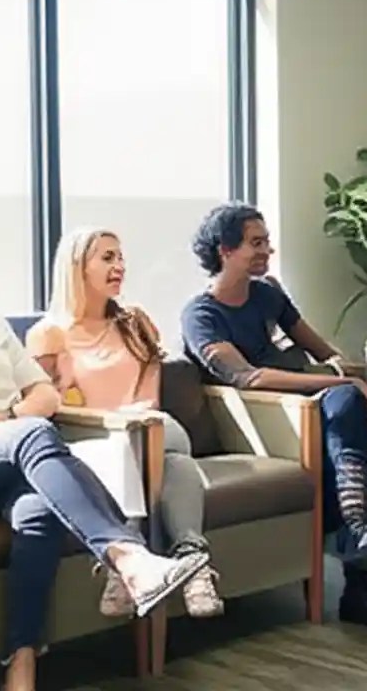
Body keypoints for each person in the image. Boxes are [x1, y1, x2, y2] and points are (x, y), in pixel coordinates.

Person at [0, 214, 206, 691]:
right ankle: (128, 557)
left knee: (38, 512)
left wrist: (14, 421)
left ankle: (21, 664)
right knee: (31, 434)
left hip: (9, 455)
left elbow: (44, 394)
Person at [179, 202, 367, 629]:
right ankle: (359, 576)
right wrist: (338, 384)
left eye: (266, 240)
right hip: (262, 427)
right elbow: (247, 379)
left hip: (304, 415)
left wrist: (352, 378)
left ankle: (354, 537)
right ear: (224, 250)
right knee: (352, 427)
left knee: (349, 418)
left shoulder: (268, 293)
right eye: (256, 242)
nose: (267, 249)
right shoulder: (201, 315)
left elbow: (325, 353)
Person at [26, 227, 223, 620]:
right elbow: (47, 408)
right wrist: (114, 421)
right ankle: (176, 561)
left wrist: (137, 420)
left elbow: (150, 391)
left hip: (151, 429)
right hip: (92, 440)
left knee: (158, 441)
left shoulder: (135, 322)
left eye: (120, 257)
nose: (119, 266)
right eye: (107, 258)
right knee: (177, 466)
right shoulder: (49, 334)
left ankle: (148, 560)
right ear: (77, 267)